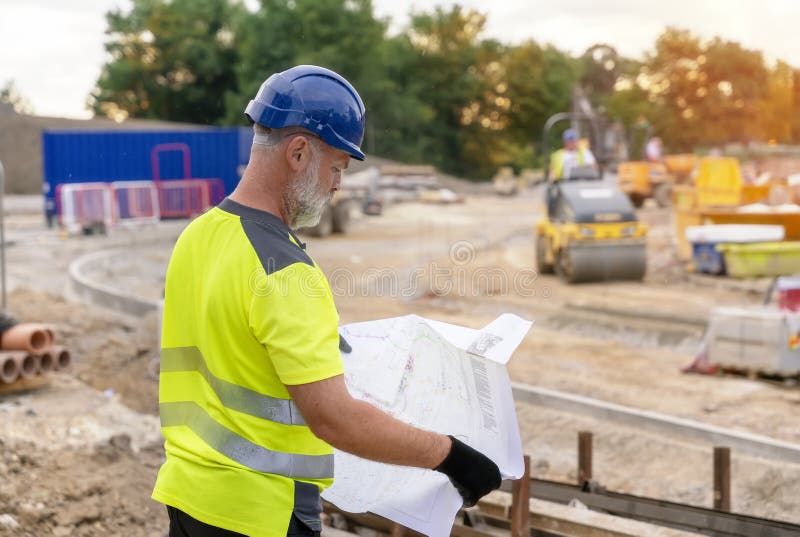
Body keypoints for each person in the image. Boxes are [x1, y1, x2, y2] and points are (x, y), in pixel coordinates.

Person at [151, 65, 501, 537]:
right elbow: (335, 419)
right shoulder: (286, 270)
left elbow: (231, 355)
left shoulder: (198, 235)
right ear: (297, 152)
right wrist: (452, 456)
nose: (338, 185)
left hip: (189, 503)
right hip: (260, 516)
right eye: (336, 166)